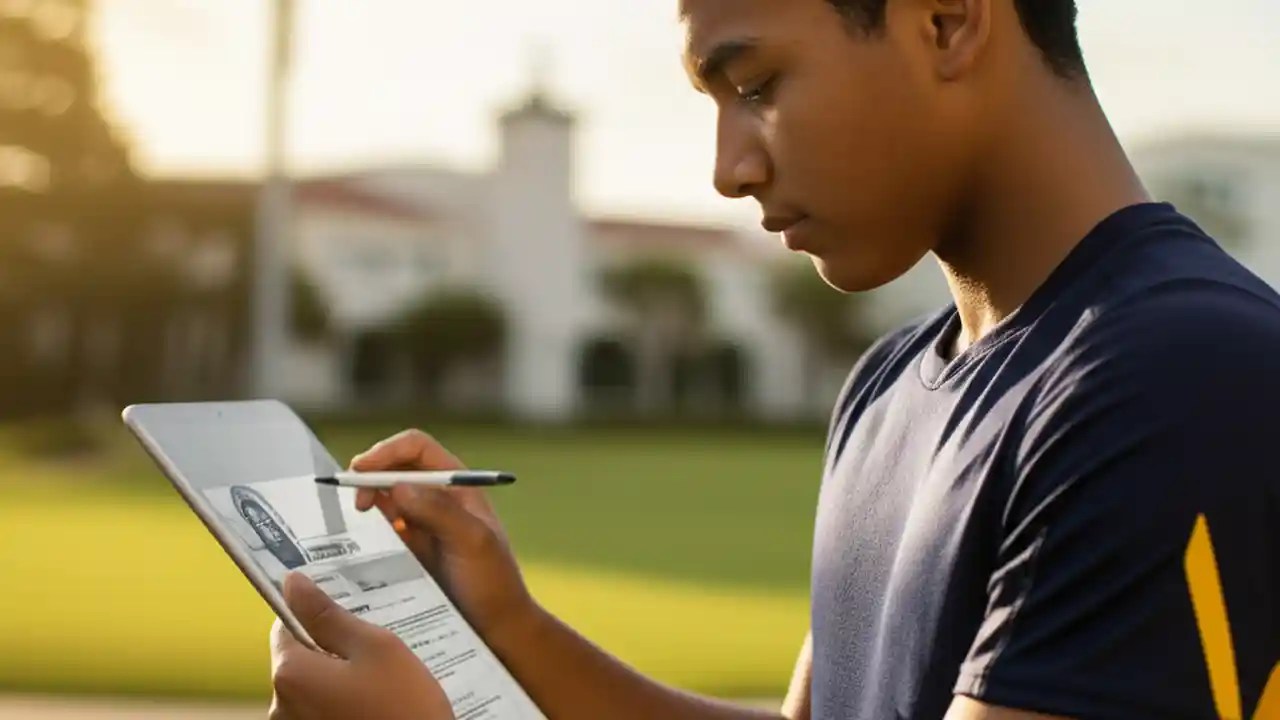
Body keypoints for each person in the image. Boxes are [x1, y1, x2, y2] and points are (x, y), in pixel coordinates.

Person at [267, 0, 1280, 718]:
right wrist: (509, 629)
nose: (726, 168)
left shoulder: (1175, 377)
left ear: (946, 20)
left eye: (755, 85)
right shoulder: (890, 387)